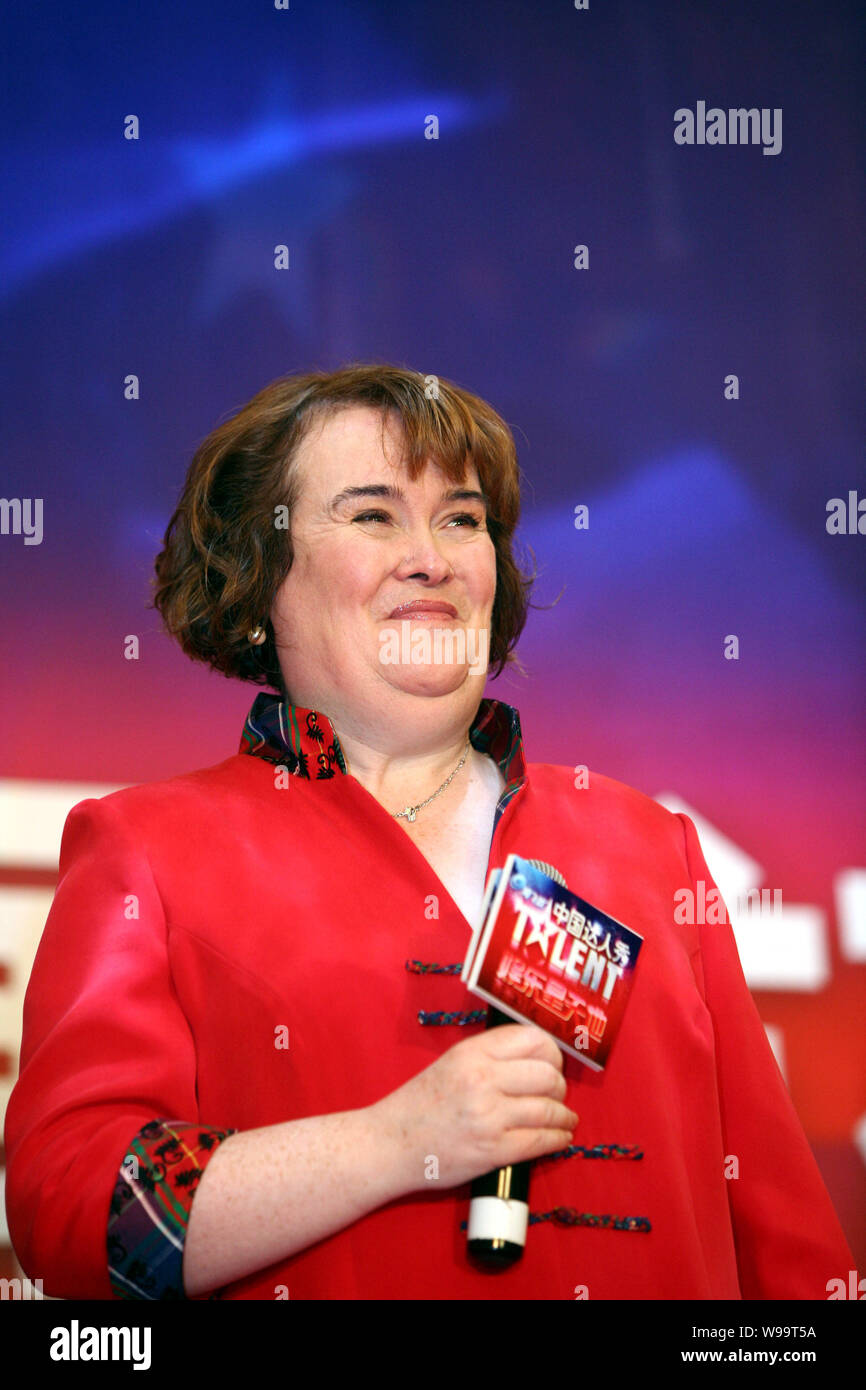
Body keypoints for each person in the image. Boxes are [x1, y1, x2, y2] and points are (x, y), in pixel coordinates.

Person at [4, 364, 854, 1300]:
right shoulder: (150, 849)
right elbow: (77, 1207)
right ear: (258, 583)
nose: (433, 557)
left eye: (462, 519)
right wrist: (396, 1144)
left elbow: (788, 1246)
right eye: (372, 516)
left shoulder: (649, 846)